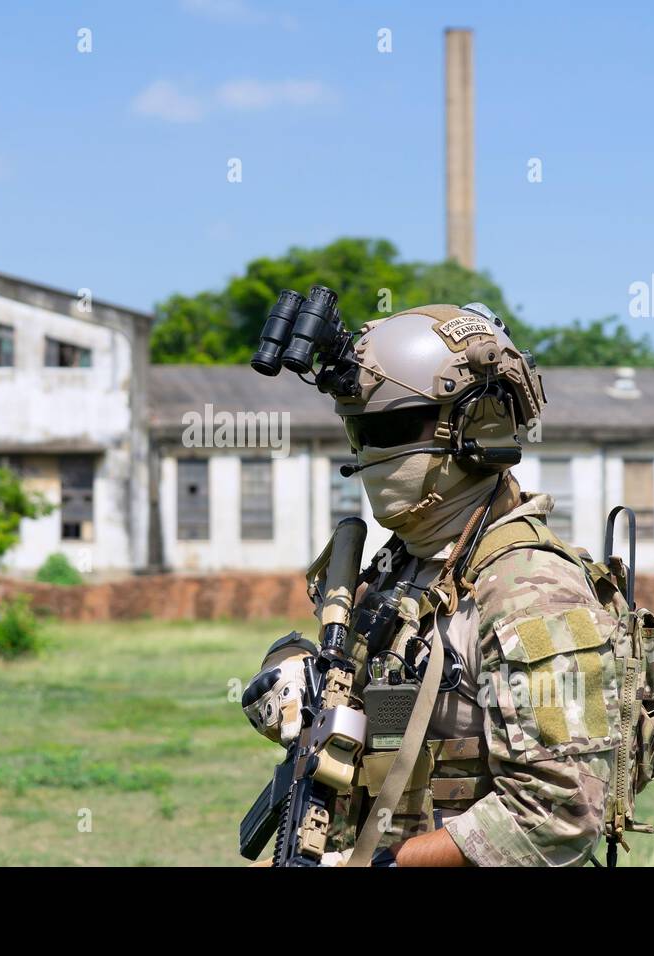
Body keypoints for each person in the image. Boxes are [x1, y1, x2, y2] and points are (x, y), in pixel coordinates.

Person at [243, 303, 624, 867]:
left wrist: (385, 866)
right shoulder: (412, 562)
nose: (372, 450)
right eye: (360, 430)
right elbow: (358, 669)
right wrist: (294, 666)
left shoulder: (531, 590)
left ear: (482, 424)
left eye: (393, 427)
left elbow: (561, 813)